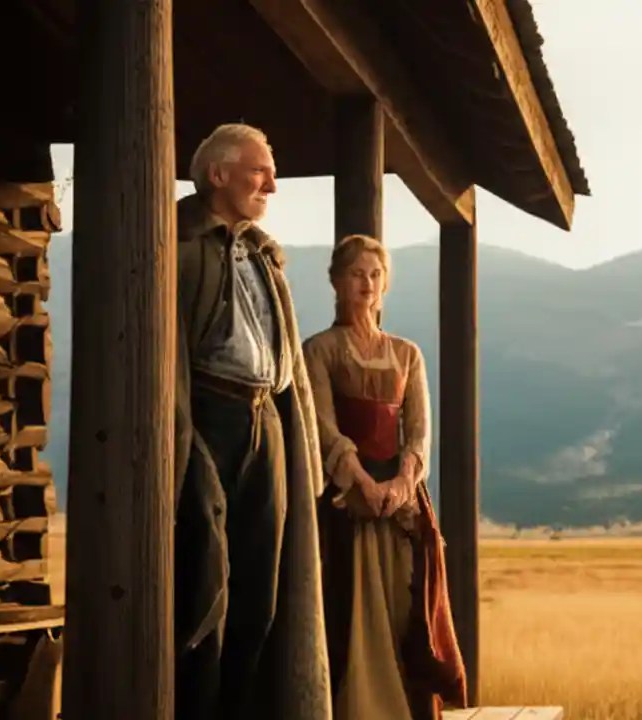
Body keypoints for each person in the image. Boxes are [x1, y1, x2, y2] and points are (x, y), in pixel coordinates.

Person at [173, 123, 331, 719]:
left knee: (260, 594)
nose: (273, 183)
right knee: (203, 584)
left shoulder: (265, 254)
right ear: (219, 175)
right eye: (260, 170)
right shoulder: (181, 244)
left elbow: (285, 356)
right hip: (206, 418)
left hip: (265, 421)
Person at [303, 234, 468, 720]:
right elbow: (323, 427)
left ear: (386, 284)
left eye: (376, 275)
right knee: (351, 612)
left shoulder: (407, 354)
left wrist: (399, 486)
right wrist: (361, 481)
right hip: (347, 498)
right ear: (336, 280)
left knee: (408, 611)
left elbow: (419, 434)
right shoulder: (320, 350)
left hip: (401, 506)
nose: (367, 284)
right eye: (356, 274)